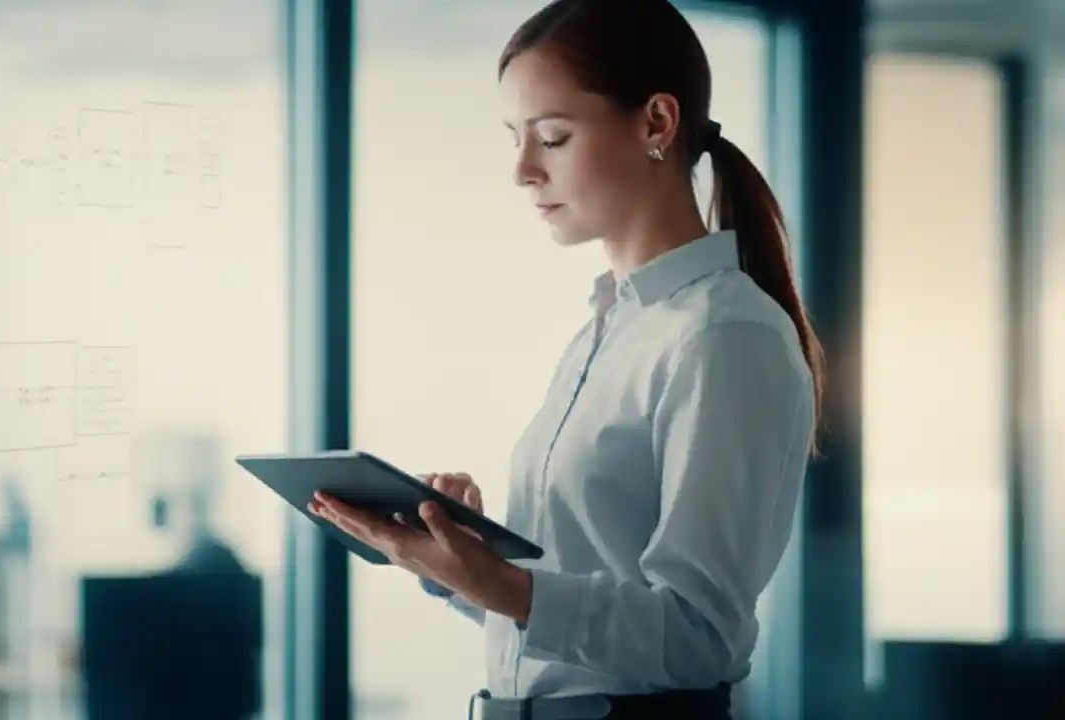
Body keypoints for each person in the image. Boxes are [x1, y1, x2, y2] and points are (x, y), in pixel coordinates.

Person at [306, 0, 824, 717]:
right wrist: (460, 567)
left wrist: (503, 586)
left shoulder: (724, 335)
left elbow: (702, 637)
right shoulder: (609, 327)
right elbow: (567, 613)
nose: (522, 170)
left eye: (552, 137)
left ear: (656, 124)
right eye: (515, 138)